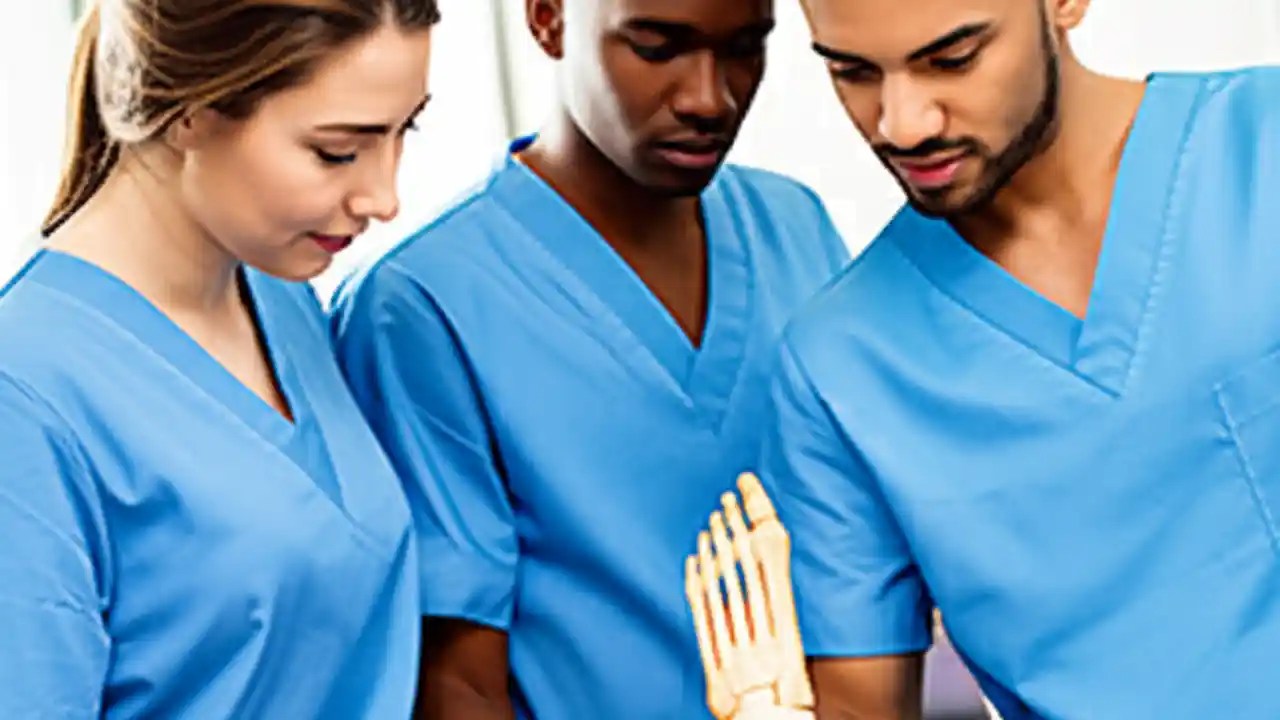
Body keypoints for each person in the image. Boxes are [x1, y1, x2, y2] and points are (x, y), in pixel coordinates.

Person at [750, 0, 1280, 717]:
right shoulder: (840, 366)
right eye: (854, 73)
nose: (902, 124)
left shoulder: (1261, 147)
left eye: (953, 59)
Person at [328, 0, 851, 716]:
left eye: (744, 48)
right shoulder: (420, 304)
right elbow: (458, 682)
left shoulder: (796, 228)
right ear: (548, 18)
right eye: (657, 47)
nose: (710, 98)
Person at [0, 0, 439, 717]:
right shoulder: (25, 390)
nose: (384, 197)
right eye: (337, 152)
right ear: (188, 113)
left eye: (404, 130)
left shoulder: (281, 297)